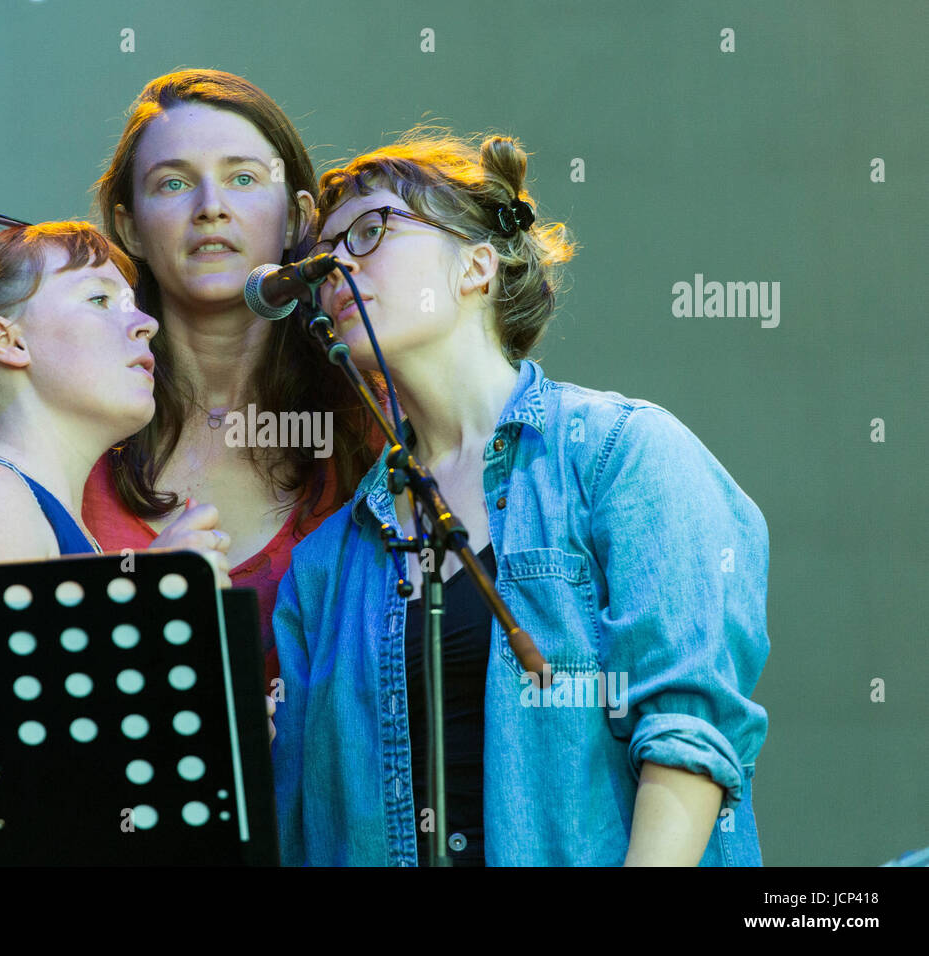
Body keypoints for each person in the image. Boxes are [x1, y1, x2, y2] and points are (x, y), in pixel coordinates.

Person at [271, 129, 770, 866]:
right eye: (325, 251)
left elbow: (688, 732)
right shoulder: (322, 568)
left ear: (475, 266)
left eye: (371, 231)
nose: (336, 263)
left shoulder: (620, 456)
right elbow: (306, 833)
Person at [84, 70, 384, 687]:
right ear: (130, 226)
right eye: (173, 183)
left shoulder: (374, 417)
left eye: (243, 178)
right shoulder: (74, 416)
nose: (211, 207)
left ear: (300, 216)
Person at [0, 216, 230, 581]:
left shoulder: (24, 505)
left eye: (132, 304)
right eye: (100, 299)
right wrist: (158, 594)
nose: (146, 323)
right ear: (10, 342)